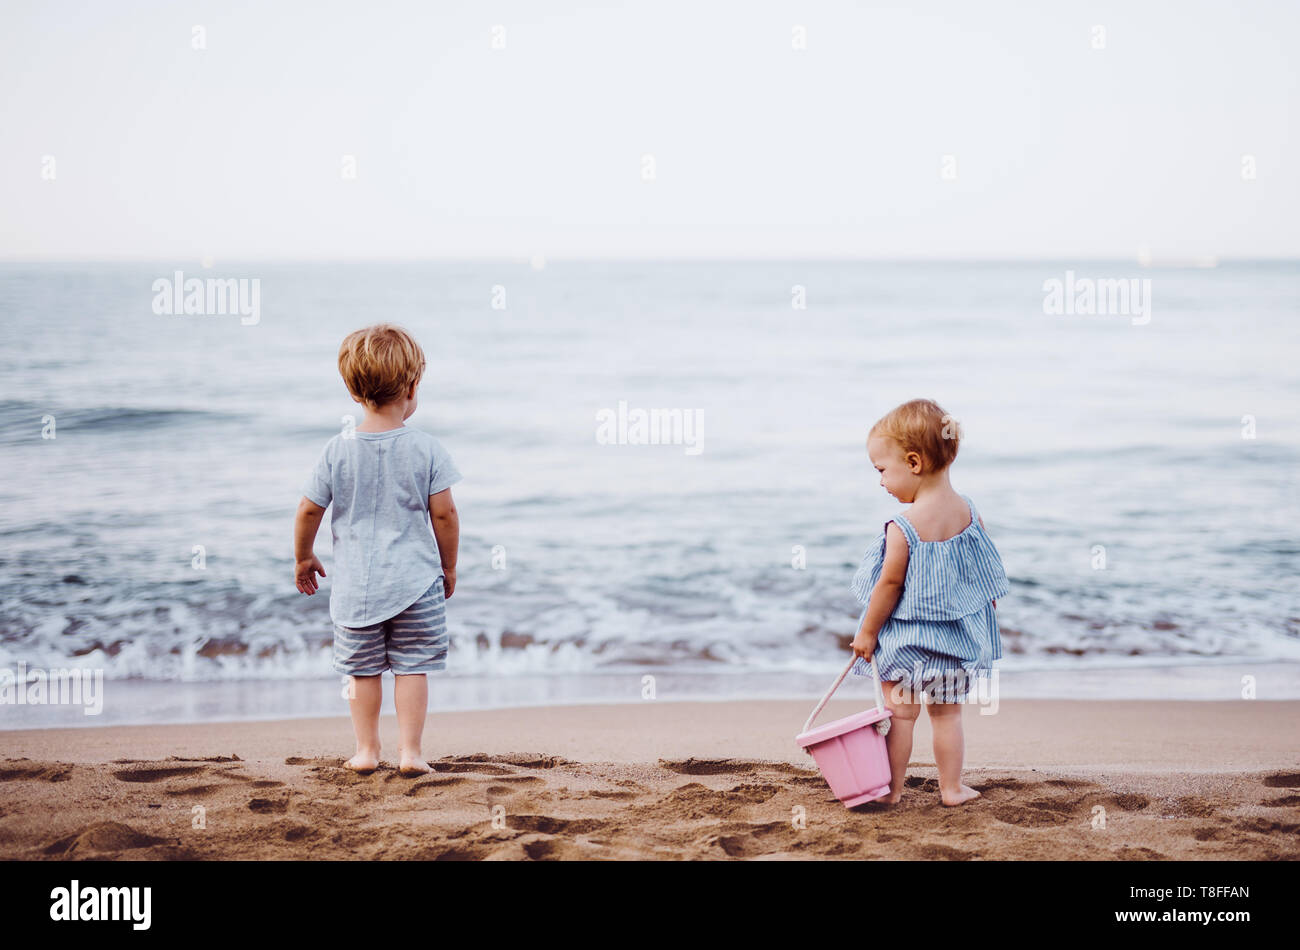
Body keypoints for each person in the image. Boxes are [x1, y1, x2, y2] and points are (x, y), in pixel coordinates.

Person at [294, 323, 461, 776]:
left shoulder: (337, 450)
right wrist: (448, 567)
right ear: (412, 387)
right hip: (415, 583)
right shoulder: (427, 448)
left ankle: (367, 750)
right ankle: (411, 753)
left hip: (354, 589)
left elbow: (309, 510)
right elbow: (444, 515)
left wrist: (304, 557)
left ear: (353, 392)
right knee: (412, 668)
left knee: (361, 672)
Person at [849, 398, 1009, 805]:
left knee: (900, 718)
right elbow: (984, 571)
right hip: (953, 645)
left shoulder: (902, 527)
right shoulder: (968, 513)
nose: (881, 482)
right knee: (948, 716)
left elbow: (889, 585)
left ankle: (891, 792)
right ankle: (952, 789)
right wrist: (984, 617)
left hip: (906, 647)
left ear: (914, 463)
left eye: (883, 471)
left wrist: (867, 633)